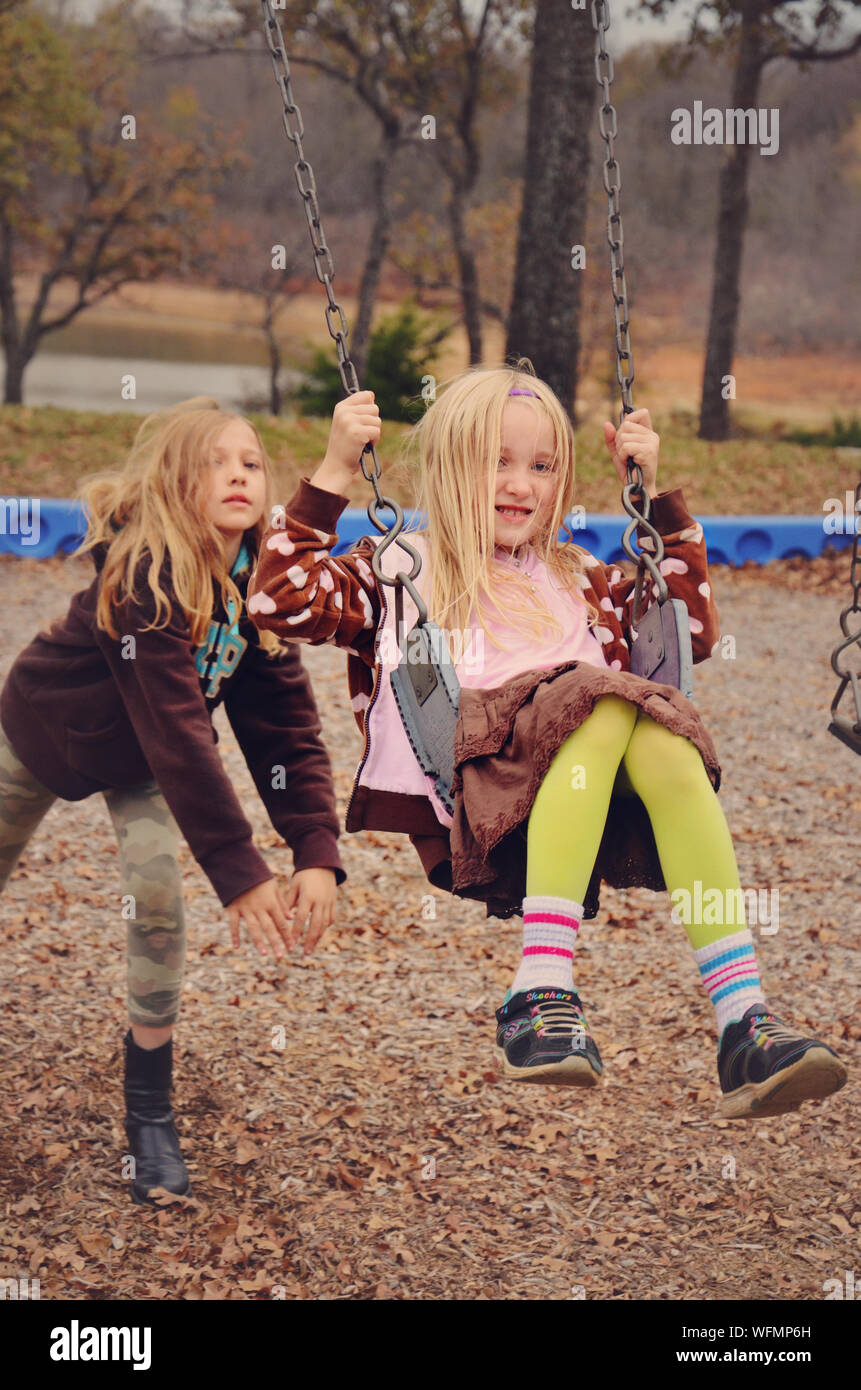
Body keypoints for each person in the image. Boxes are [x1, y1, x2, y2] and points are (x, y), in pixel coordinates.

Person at [246, 363, 847, 1121]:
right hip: (478, 776)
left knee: (660, 731)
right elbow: (279, 602)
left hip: (585, 784)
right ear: (446, 466)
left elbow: (687, 632)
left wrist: (654, 500)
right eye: (495, 460)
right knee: (596, 703)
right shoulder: (403, 569)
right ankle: (540, 989)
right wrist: (333, 471)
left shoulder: (580, 577)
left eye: (540, 466)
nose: (520, 484)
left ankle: (742, 1021)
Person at [0, 397, 344, 1203]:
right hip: (44, 730)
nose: (237, 474)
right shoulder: (147, 577)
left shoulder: (259, 587)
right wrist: (240, 869)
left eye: (251, 463)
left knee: (156, 902)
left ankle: (149, 1113)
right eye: (213, 463)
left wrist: (315, 851)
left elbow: (284, 727)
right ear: (173, 484)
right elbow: (183, 735)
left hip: (146, 755)